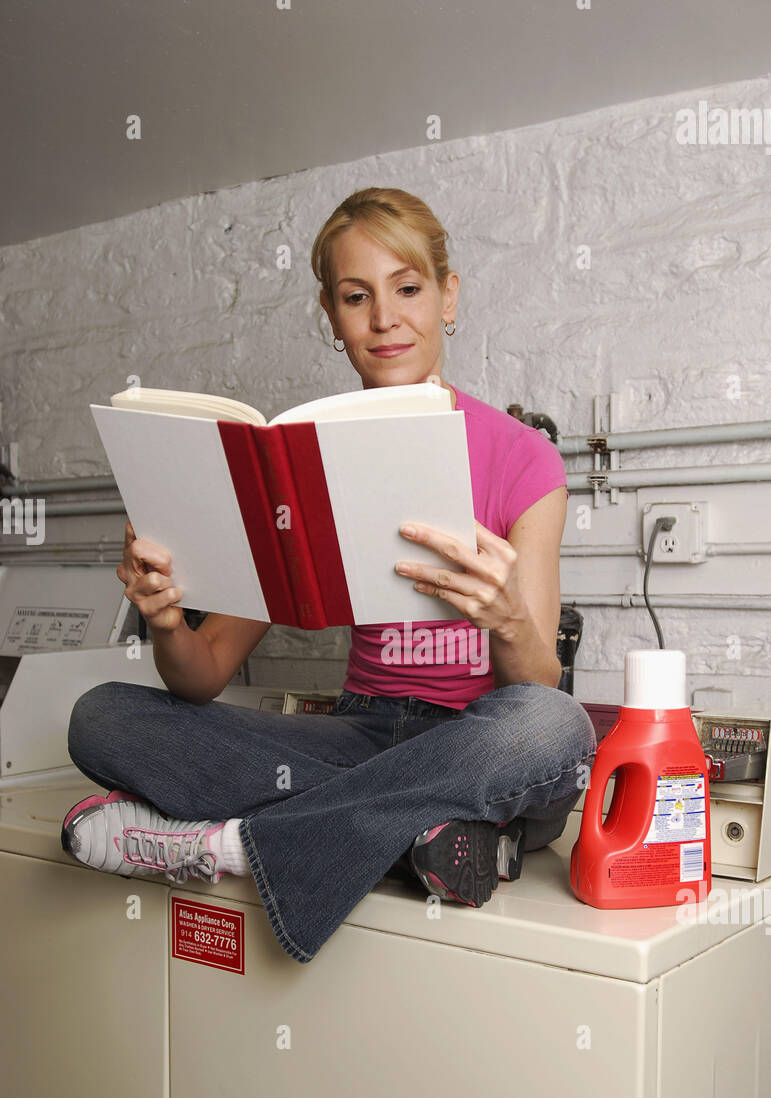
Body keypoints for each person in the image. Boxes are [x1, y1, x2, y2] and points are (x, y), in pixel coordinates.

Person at [62, 186, 596, 964]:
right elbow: (203, 676)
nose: (384, 319)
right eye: (356, 298)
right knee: (101, 716)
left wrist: (508, 619)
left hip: (481, 741)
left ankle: (238, 845)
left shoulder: (522, 456)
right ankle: (420, 835)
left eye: (407, 289)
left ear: (448, 297)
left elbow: (540, 682)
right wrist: (169, 620)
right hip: (359, 739)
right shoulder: (303, 460)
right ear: (332, 314)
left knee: (556, 729)